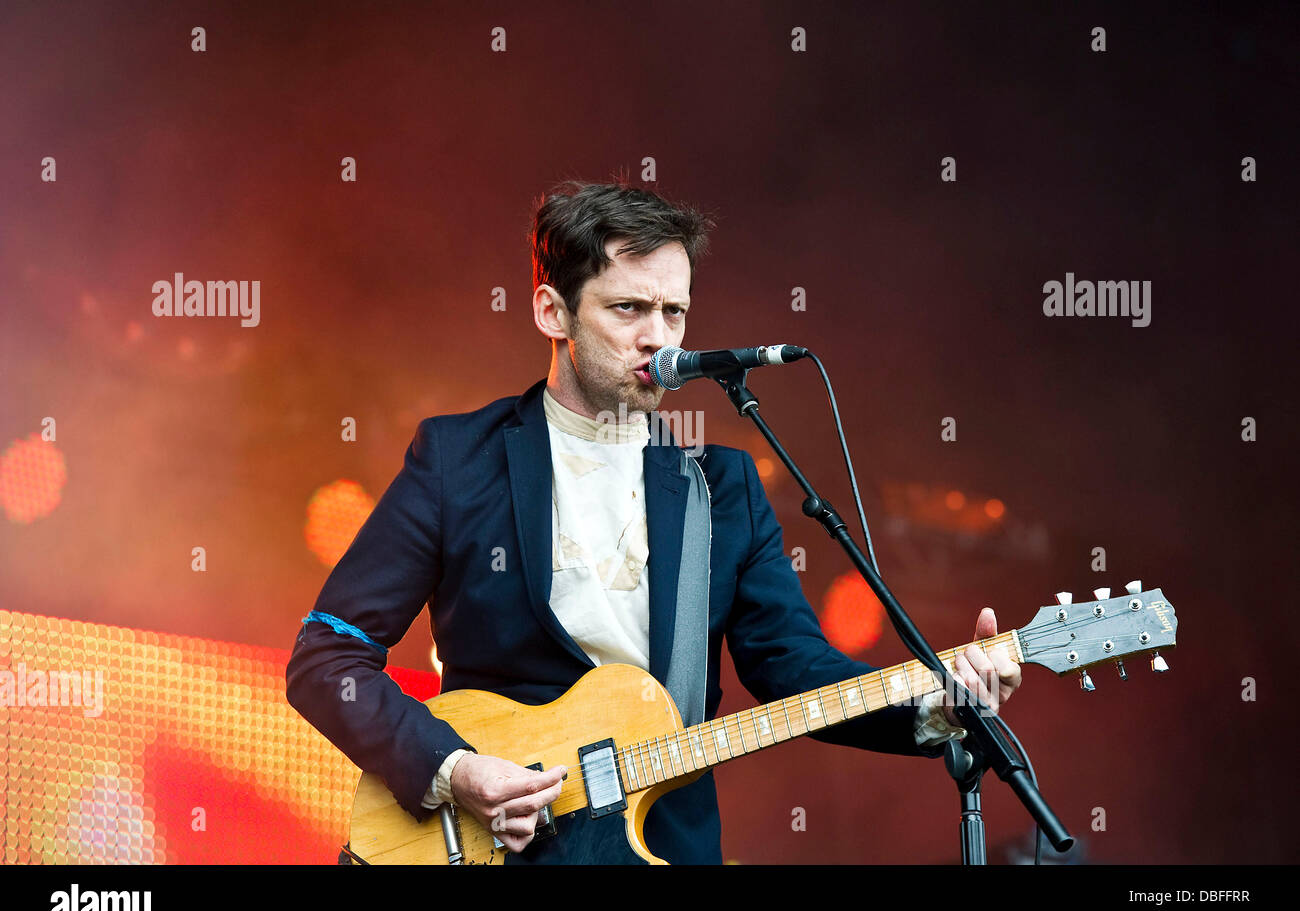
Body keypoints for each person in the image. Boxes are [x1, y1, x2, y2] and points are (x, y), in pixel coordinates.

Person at [286, 180, 1022, 864]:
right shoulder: (458, 458)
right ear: (553, 311)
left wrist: (937, 699)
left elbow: (795, 670)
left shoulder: (721, 485)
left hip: (660, 844)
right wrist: (453, 769)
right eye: (628, 309)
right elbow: (328, 658)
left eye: (674, 312)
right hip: (493, 842)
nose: (658, 338)